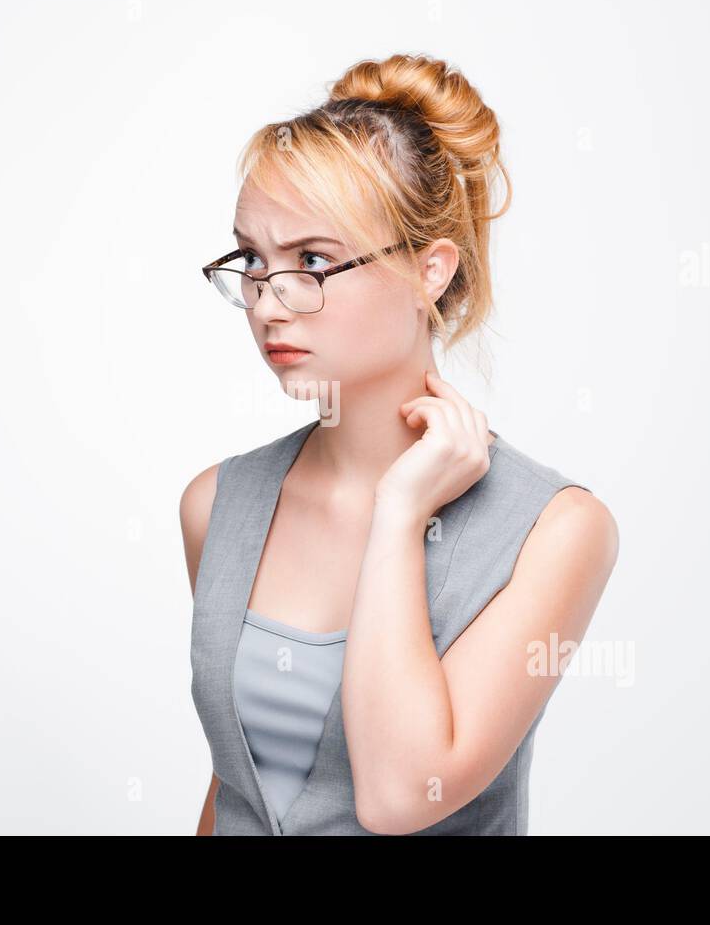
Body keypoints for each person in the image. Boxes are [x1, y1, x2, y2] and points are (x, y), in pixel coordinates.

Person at [181, 53, 618, 835]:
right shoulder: (220, 504)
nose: (269, 304)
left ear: (431, 271)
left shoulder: (556, 530)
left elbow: (398, 797)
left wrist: (399, 514)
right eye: (253, 260)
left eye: (311, 261)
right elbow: (233, 789)